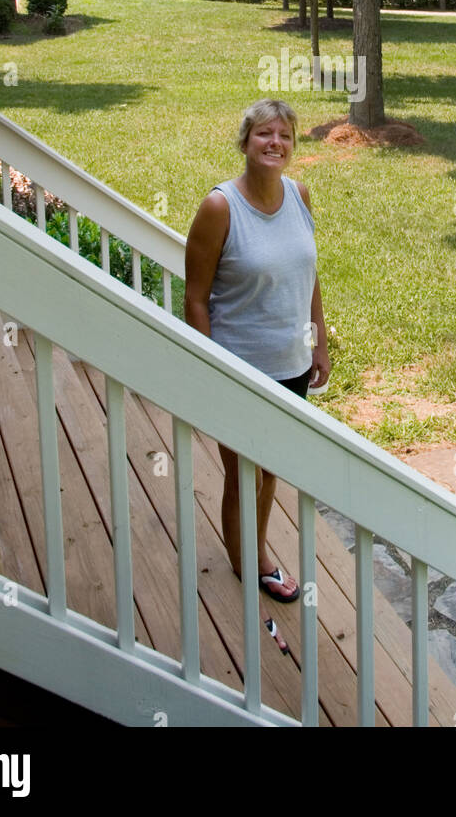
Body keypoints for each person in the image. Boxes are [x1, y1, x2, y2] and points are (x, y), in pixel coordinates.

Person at [184, 99, 330, 621]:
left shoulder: (300, 196)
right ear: (245, 142)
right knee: (244, 472)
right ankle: (253, 562)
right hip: (240, 367)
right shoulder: (220, 208)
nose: (276, 143)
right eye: (264, 134)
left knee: (269, 470)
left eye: (285, 136)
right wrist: (211, 369)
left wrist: (319, 341)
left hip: (291, 361)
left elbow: (308, 275)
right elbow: (196, 297)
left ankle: (255, 548)